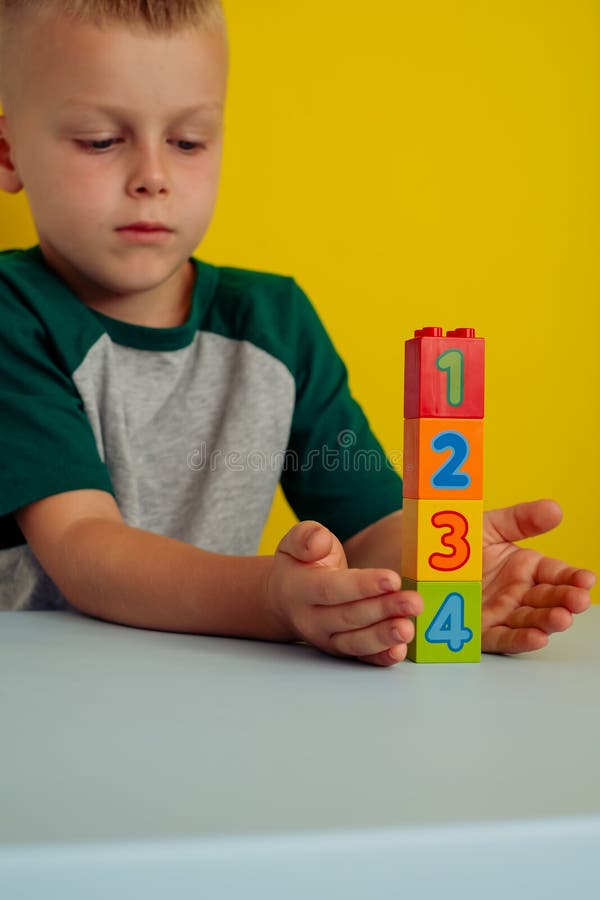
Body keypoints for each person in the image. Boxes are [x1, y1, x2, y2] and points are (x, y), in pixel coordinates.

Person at [0, 0, 594, 666]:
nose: (153, 178)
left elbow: (366, 523)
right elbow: (84, 545)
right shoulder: (12, 314)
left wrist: (437, 563)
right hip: (47, 689)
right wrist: (273, 599)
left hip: (222, 688)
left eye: (189, 141)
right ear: (8, 153)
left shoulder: (274, 322)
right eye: (101, 140)